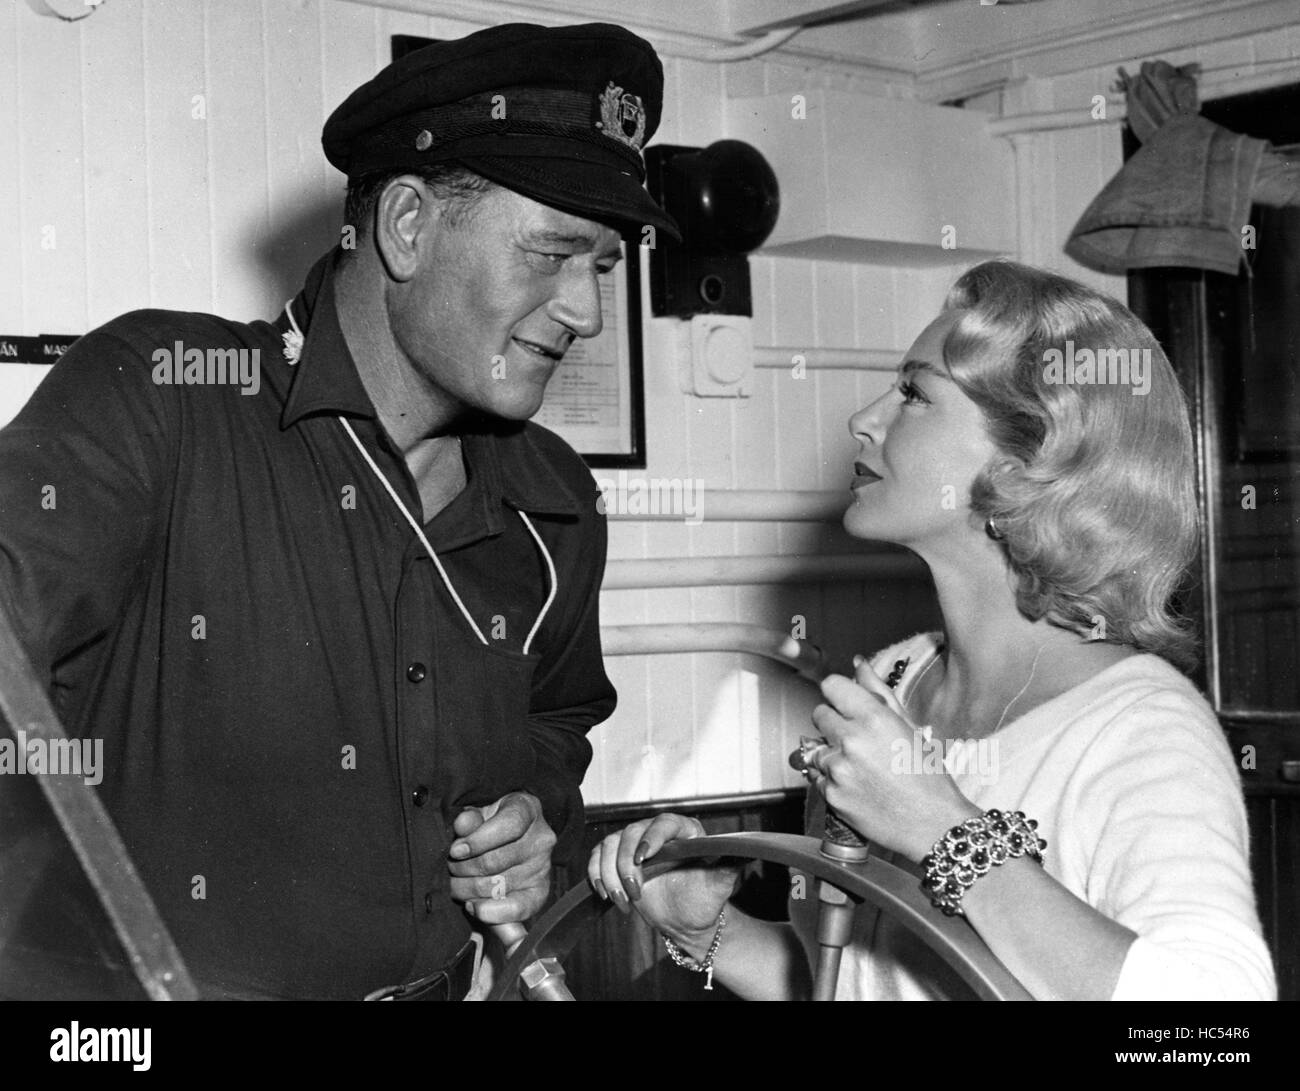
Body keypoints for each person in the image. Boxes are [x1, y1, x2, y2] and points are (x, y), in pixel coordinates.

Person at [0, 21, 678, 1001]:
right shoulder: (160, 396)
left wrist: (535, 812)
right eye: (553, 254)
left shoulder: (558, 504)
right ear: (404, 225)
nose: (586, 310)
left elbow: (555, 724)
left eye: (603, 267)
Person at [590, 260, 1277, 1001]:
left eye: (914, 393)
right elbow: (852, 979)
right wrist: (707, 932)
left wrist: (943, 829)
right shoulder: (890, 681)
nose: (865, 418)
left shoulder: (1142, 727)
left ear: (1032, 456)